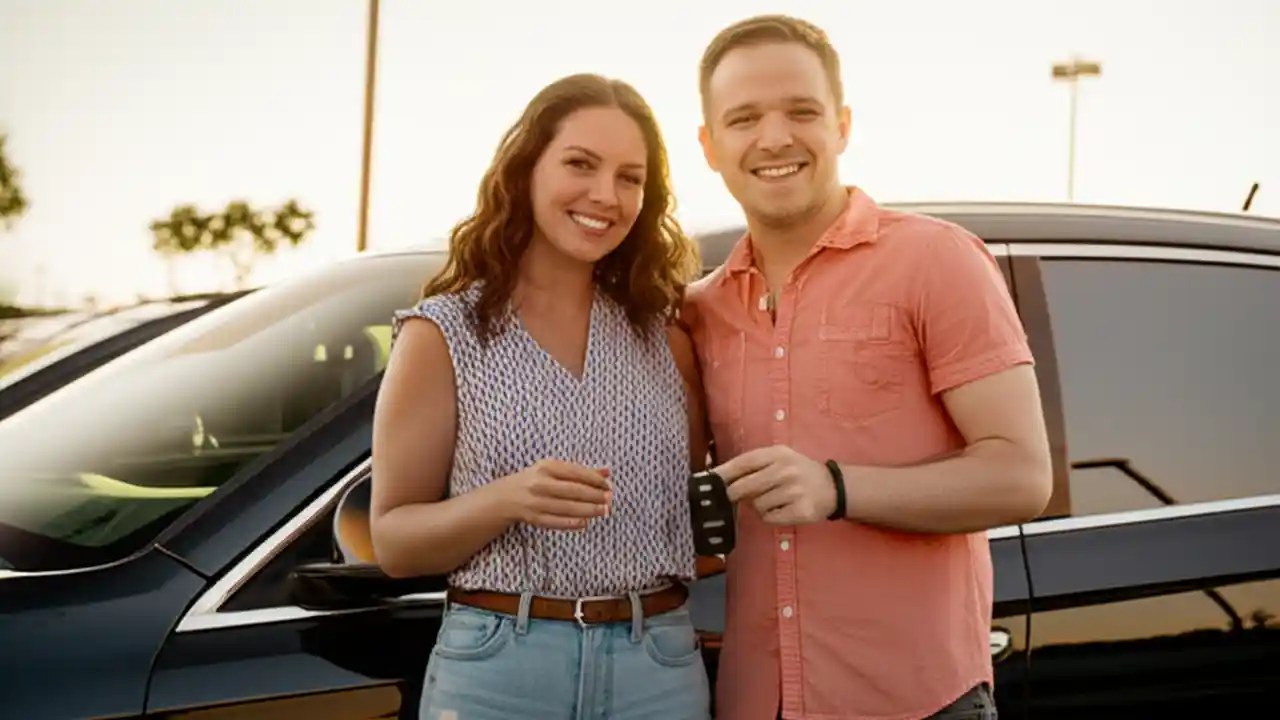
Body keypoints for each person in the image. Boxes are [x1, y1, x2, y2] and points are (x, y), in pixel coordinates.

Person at [681, 14, 1054, 720]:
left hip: (918, 703)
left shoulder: (936, 262)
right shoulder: (699, 311)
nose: (774, 138)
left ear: (842, 124)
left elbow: (1022, 474)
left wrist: (836, 488)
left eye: (801, 111)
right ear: (709, 145)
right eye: (743, 118)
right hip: (757, 703)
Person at [370, 73, 712, 720]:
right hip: (501, 670)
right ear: (525, 169)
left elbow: (698, 518)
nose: (605, 195)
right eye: (580, 164)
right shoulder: (443, 335)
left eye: (630, 177)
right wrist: (506, 500)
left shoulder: (666, 338)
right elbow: (393, 542)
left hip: (658, 668)